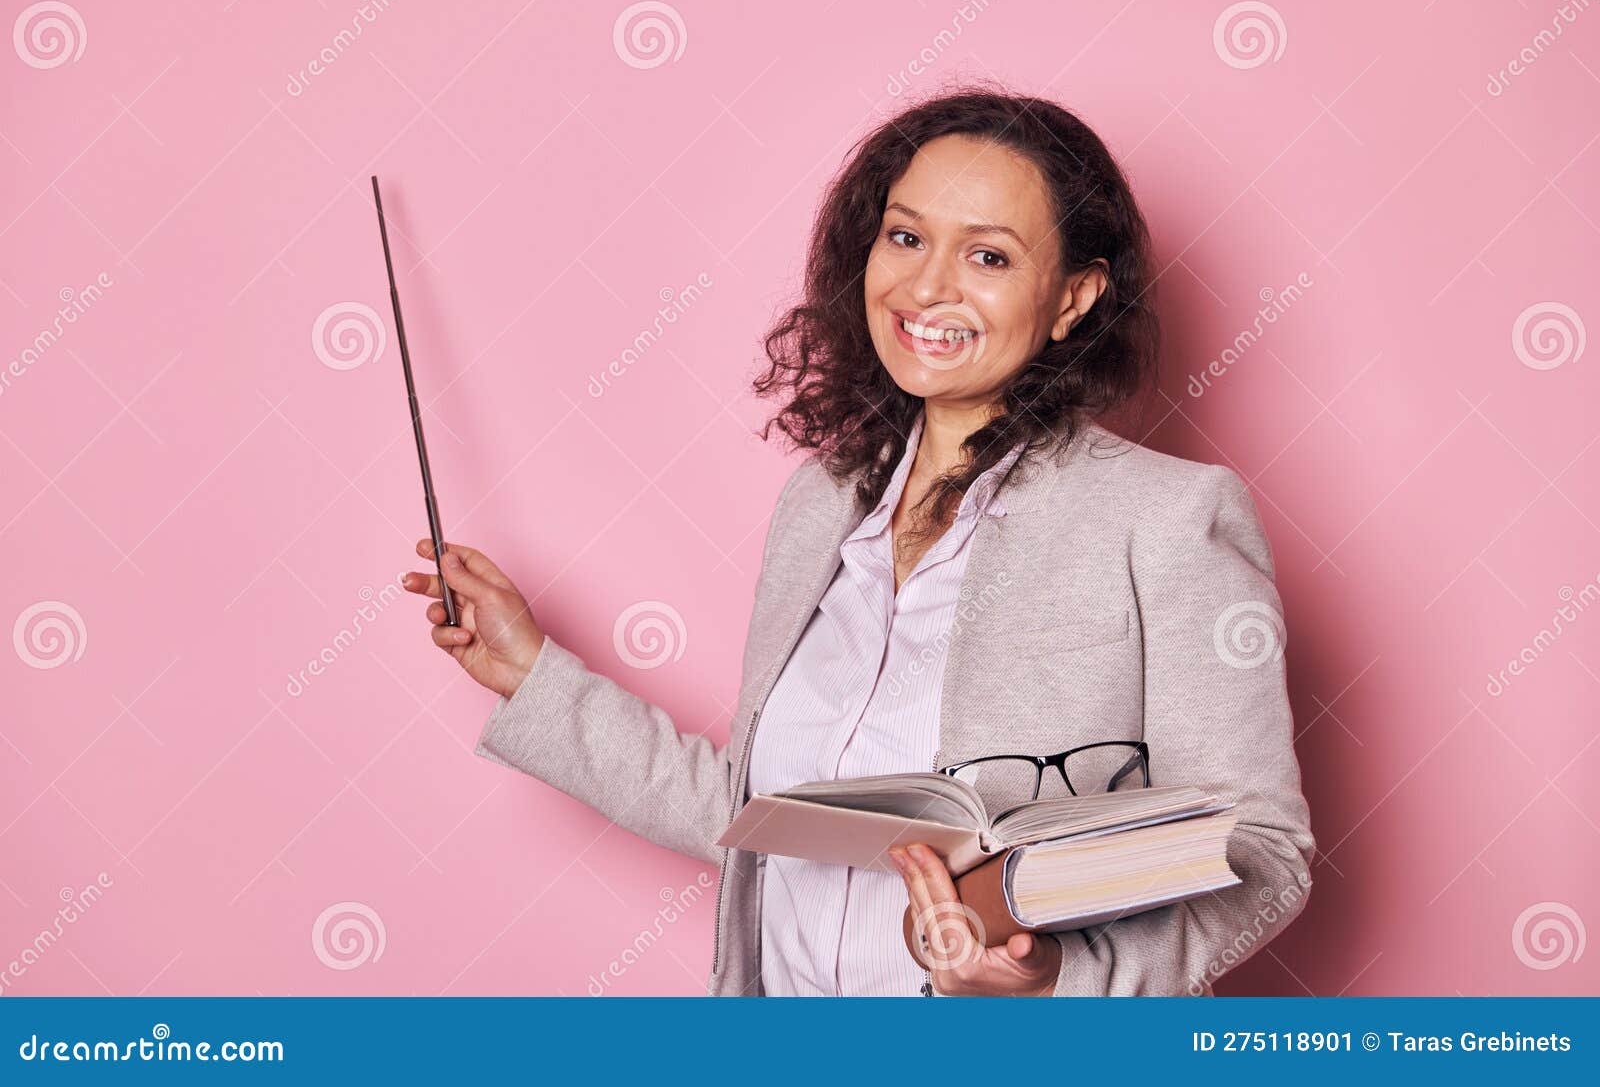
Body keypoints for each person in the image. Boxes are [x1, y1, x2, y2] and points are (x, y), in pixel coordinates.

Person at [402, 86, 1315, 997]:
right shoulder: (822, 502)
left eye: (988, 254)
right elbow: (763, 817)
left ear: (1074, 297)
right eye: (907, 237)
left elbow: (1262, 855)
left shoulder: (1168, 517)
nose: (926, 287)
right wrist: (530, 673)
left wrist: (1057, 983)